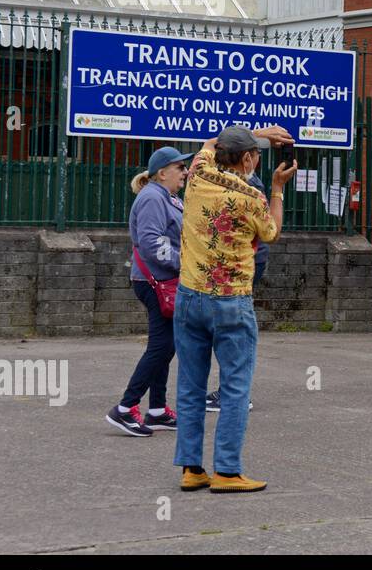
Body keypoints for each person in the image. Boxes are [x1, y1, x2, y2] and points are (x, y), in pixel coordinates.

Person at [173, 125, 296, 494]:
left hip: (189, 295)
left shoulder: (197, 173)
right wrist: (277, 188)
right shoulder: (251, 195)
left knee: (190, 385)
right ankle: (227, 470)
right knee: (235, 387)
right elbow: (271, 231)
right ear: (246, 159)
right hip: (230, 300)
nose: (257, 160)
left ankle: (192, 468)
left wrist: (258, 133)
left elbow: (209, 144)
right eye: (256, 154)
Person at [106, 146, 192, 437]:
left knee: (166, 345)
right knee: (161, 347)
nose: (185, 172)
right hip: (155, 282)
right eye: (180, 167)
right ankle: (125, 408)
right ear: (162, 172)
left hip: (160, 280)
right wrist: (185, 264)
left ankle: (156, 410)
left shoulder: (167, 197)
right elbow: (152, 243)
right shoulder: (153, 198)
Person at [204, 169, 268, 414]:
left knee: (235, 328)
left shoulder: (248, 184)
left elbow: (265, 229)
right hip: (246, 260)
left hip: (244, 261)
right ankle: (233, 391)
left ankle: (236, 393)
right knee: (233, 326)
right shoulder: (248, 183)